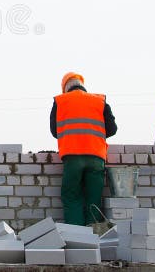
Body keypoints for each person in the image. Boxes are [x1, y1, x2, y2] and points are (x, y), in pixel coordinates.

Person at [50, 71, 117, 226]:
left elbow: (55, 131)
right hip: (96, 157)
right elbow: (112, 129)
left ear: (65, 88)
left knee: (72, 197)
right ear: (82, 85)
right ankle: (94, 240)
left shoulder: (60, 101)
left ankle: (78, 240)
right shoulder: (100, 101)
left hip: (72, 157)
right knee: (93, 199)